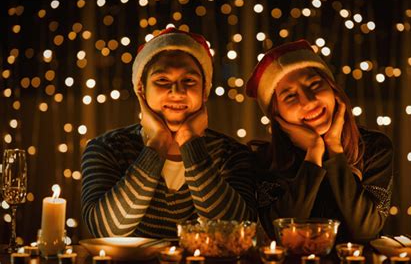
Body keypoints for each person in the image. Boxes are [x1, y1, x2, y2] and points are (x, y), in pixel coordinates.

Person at [81, 28, 257, 238]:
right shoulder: (106, 148)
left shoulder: (232, 154)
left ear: (204, 91)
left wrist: (190, 141)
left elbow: (236, 232)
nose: (177, 92)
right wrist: (158, 144)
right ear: (141, 89)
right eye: (162, 80)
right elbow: (107, 229)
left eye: (189, 81)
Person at [246, 40, 393, 243]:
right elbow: (280, 235)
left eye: (315, 85)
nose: (309, 100)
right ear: (276, 114)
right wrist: (314, 153)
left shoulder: (374, 147)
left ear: (333, 89)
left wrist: (334, 148)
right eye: (290, 96)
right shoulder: (263, 160)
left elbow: (366, 230)